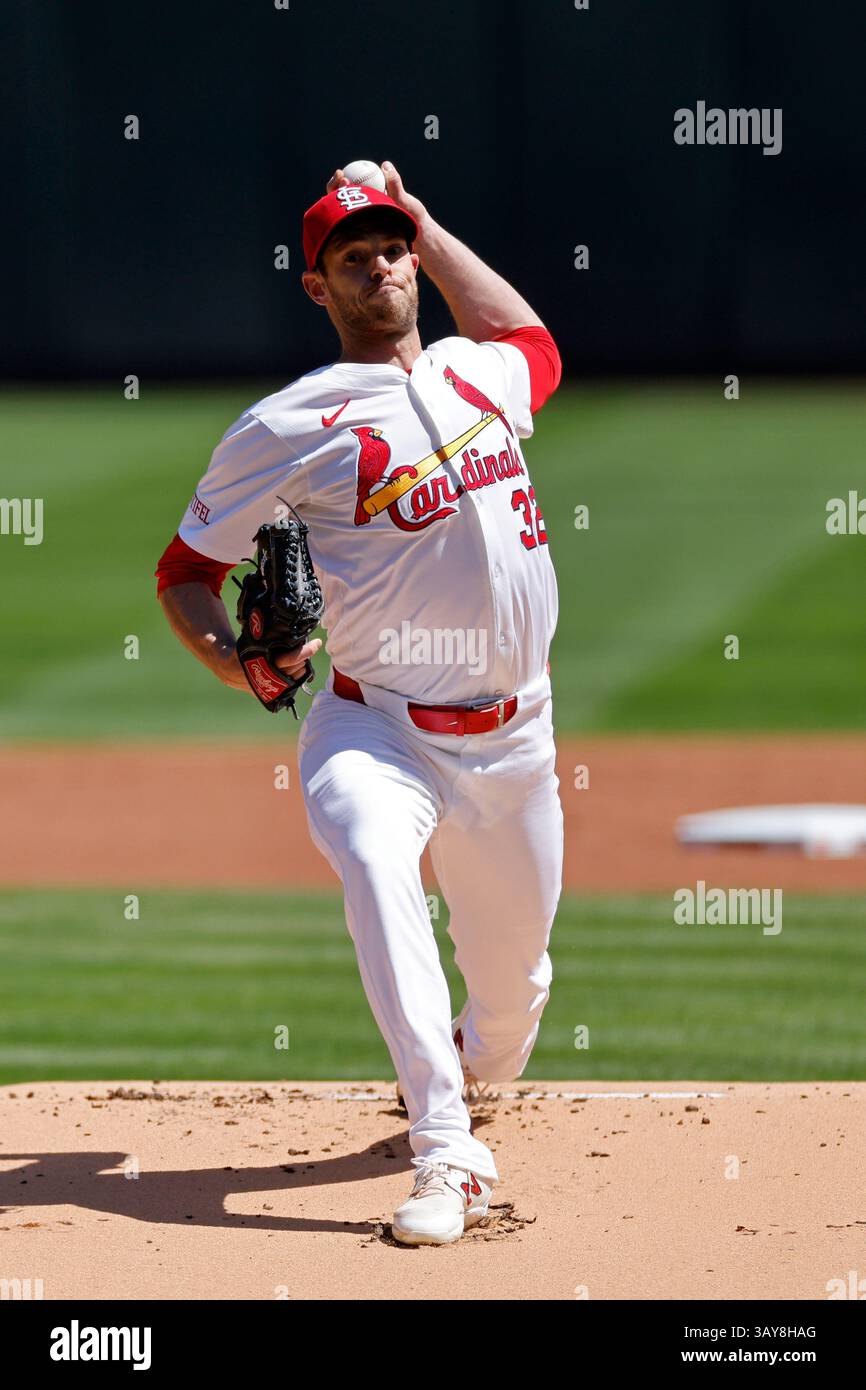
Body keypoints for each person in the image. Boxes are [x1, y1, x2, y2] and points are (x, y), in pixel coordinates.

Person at [155, 161, 564, 1246]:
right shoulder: (289, 422)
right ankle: (446, 1152)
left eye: (391, 249)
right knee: (377, 860)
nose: (380, 266)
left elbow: (537, 344)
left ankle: (474, 1067)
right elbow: (183, 572)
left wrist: (427, 222)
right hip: (372, 726)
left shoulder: (482, 376)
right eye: (355, 256)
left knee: (515, 997)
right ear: (317, 286)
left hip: (517, 741)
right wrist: (235, 664)